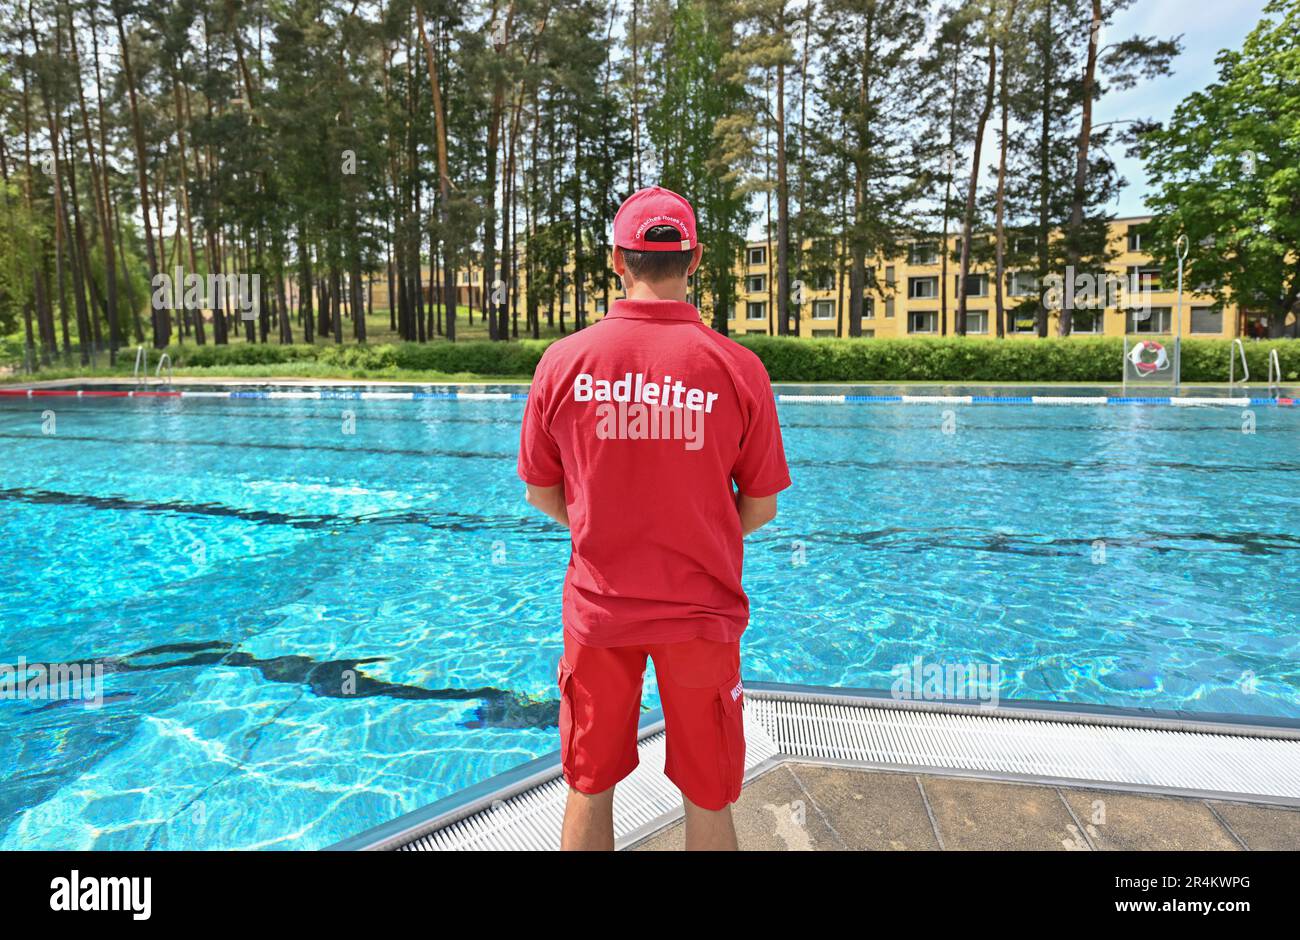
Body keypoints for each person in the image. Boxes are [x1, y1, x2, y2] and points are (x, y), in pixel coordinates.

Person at [517, 185, 791, 851]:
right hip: (700, 617)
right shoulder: (737, 368)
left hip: (599, 612)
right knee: (708, 795)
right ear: (693, 260)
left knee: (588, 784)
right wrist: (699, 533)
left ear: (618, 259)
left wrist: (600, 528)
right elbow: (760, 506)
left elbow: (541, 493)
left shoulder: (564, 363)